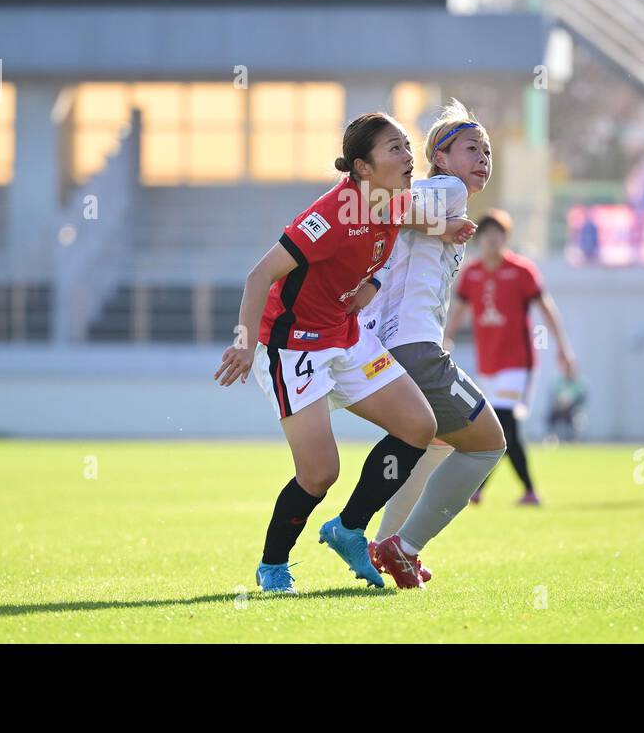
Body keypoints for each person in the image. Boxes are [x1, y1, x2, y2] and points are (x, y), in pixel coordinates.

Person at [214, 112, 475, 594]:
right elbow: (259, 275)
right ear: (362, 166)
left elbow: (410, 217)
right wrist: (244, 342)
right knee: (319, 474)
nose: (407, 157)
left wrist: (448, 227)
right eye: (394, 149)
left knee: (419, 427)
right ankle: (273, 566)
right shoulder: (331, 216)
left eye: (406, 146)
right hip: (293, 346)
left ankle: (349, 529)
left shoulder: (392, 198)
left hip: (346, 334)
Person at [354, 100, 507, 588]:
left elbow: (383, 212)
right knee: (488, 445)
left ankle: (387, 544)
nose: (483, 157)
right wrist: (438, 223)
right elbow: (376, 202)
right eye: (471, 147)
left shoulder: (440, 194)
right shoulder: (448, 188)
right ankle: (404, 546)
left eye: (487, 150)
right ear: (440, 157)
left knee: (437, 443)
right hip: (413, 349)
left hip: (385, 347)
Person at [445, 208, 577, 506]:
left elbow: (547, 310)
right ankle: (510, 491)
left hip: (518, 363)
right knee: (496, 426)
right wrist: (446, 336)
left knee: (503, 422)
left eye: (498, 234)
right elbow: (459, 311)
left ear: (506, 238)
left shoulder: (522, 270)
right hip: (487, 364)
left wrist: (564, 350)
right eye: (487, 234)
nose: (492, 240)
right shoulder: (473, 273)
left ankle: (498, 489)